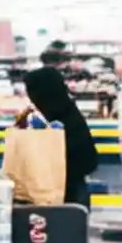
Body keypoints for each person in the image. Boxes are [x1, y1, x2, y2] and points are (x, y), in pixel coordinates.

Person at [21, 66, 99, 207]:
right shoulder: (63, 113)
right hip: (64, 195)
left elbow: (83, 159)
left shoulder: (63, 120)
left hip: (66, 195)